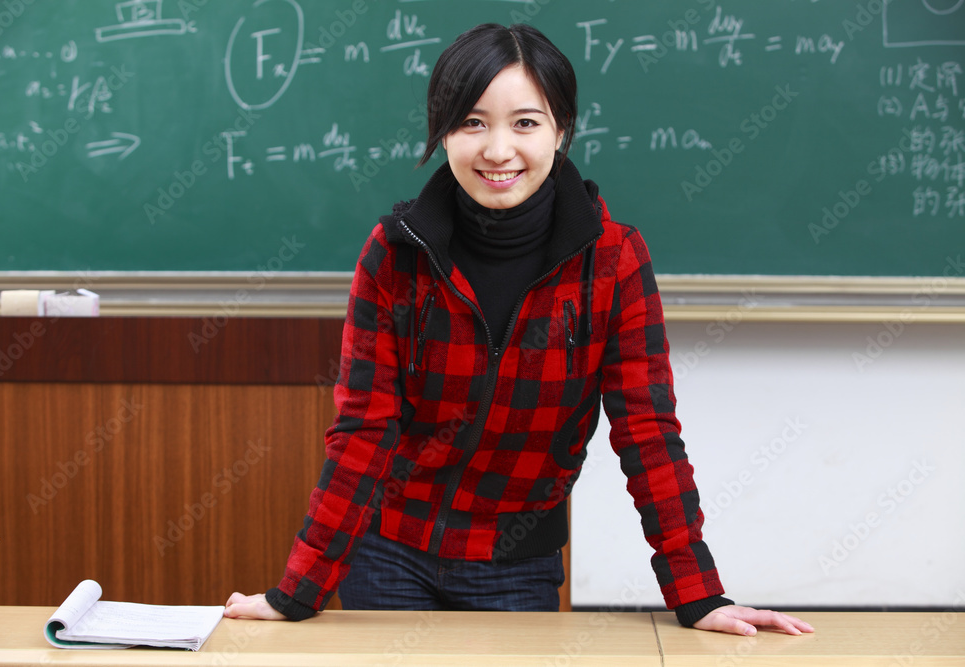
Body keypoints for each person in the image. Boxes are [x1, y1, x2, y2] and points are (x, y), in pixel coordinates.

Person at [225, 23, 813, 638]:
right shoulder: (396, 255)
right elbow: (363, 431)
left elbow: (647, 429)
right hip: (390, 552)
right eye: (472, 122)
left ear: (561, 130)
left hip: (515, 563)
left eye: (525, 123)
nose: (498, 149)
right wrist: (299, 590)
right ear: (443, 132)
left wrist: (698, 594)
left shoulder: (613, 261)